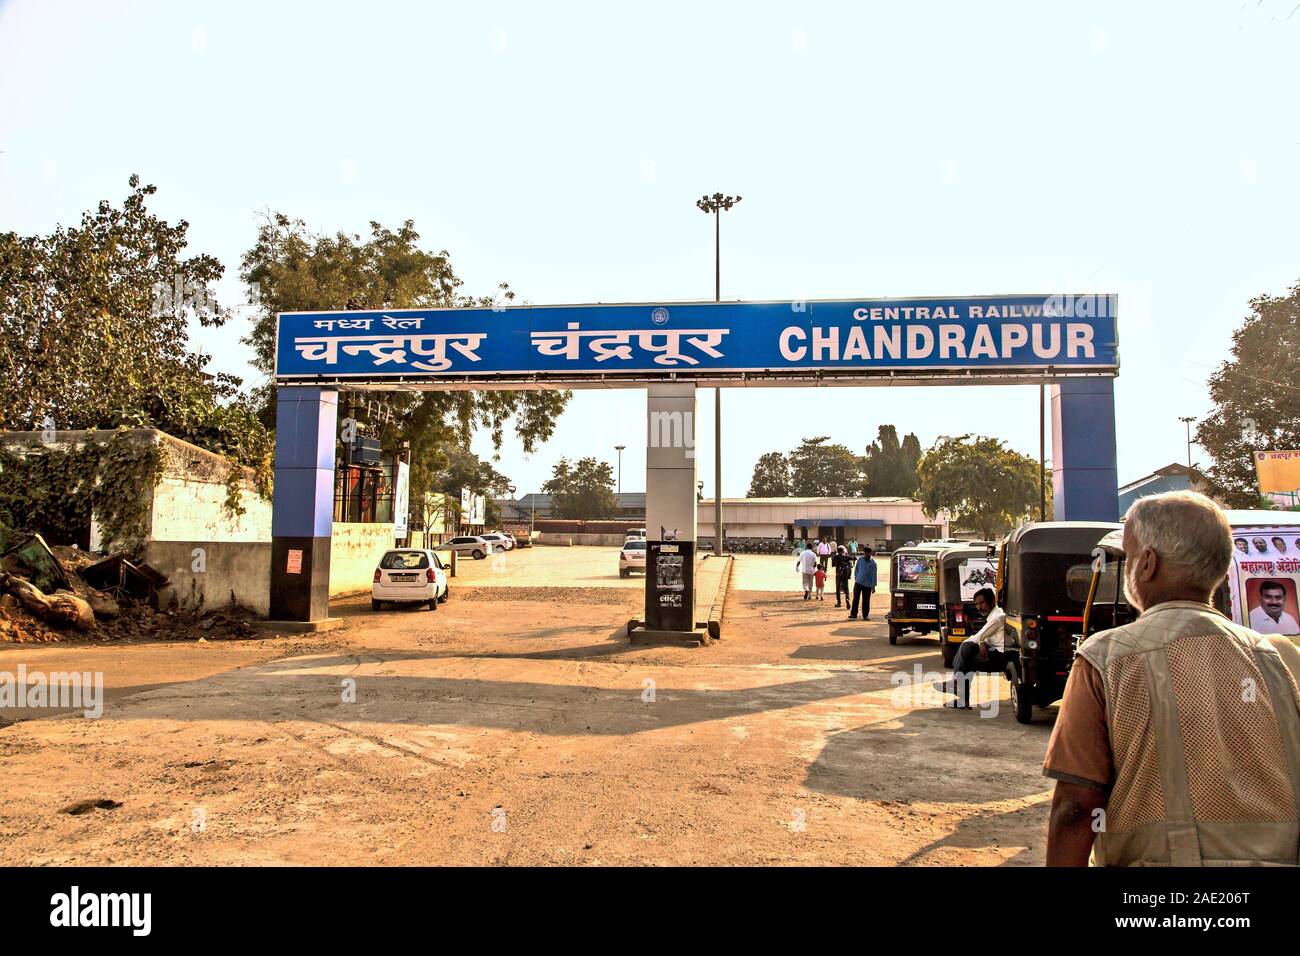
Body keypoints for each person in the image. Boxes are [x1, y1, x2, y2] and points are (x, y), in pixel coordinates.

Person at [1043, 491, 1300, 867]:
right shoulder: (1279, 658)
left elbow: (1076, 807)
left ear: (1146, 564)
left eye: (1129, 556)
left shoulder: (1106, 657)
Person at [932, 588, 1004, 709]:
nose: (979, 607)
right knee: (966, 654)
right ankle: (957, 686)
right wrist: (982, 643)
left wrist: (980, 641)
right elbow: (983, 637)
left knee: (966, 652)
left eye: (982, 603)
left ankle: (958, 687)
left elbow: (977, 637)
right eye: (976, 604)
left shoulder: (997, 618)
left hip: (999, 657)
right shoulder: (995, 615)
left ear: (992, 601)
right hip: (994, 652)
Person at [849, 546, 876, 619]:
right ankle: (853, 614)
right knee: (855, 599)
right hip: (858, 582)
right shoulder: (860, 560)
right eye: (865, 553)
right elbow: (856, 569)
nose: (866, 554)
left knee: (866, 600)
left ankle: (865, 615)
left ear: (870, 553)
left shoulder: (873, 563)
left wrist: (873, 586)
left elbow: (874, 575)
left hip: (867, 584)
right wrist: (856, 577)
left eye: (868, 553)